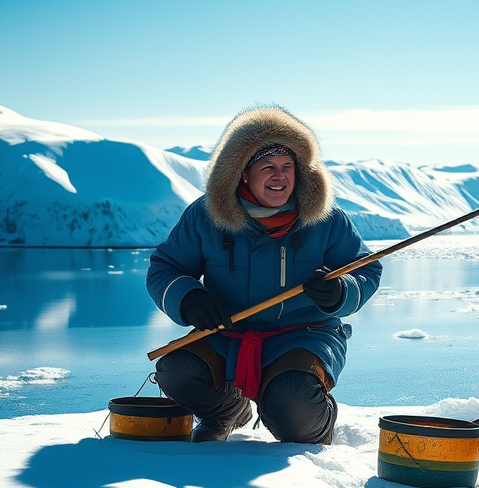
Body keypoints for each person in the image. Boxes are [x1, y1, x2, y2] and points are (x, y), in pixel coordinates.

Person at [147, 106, 382, 444]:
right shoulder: (205, 215)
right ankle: (226, 412)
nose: (279, 176)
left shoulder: (327, 219)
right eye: (267, 166)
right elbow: (166, 267)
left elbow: (366, 268)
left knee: (293, 400)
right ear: (243, 173)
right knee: (178, 371)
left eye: (288, 167)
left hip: (305, 334)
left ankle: (315, 428)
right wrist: (189, 297)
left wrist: (342, 290)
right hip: (227, 333)